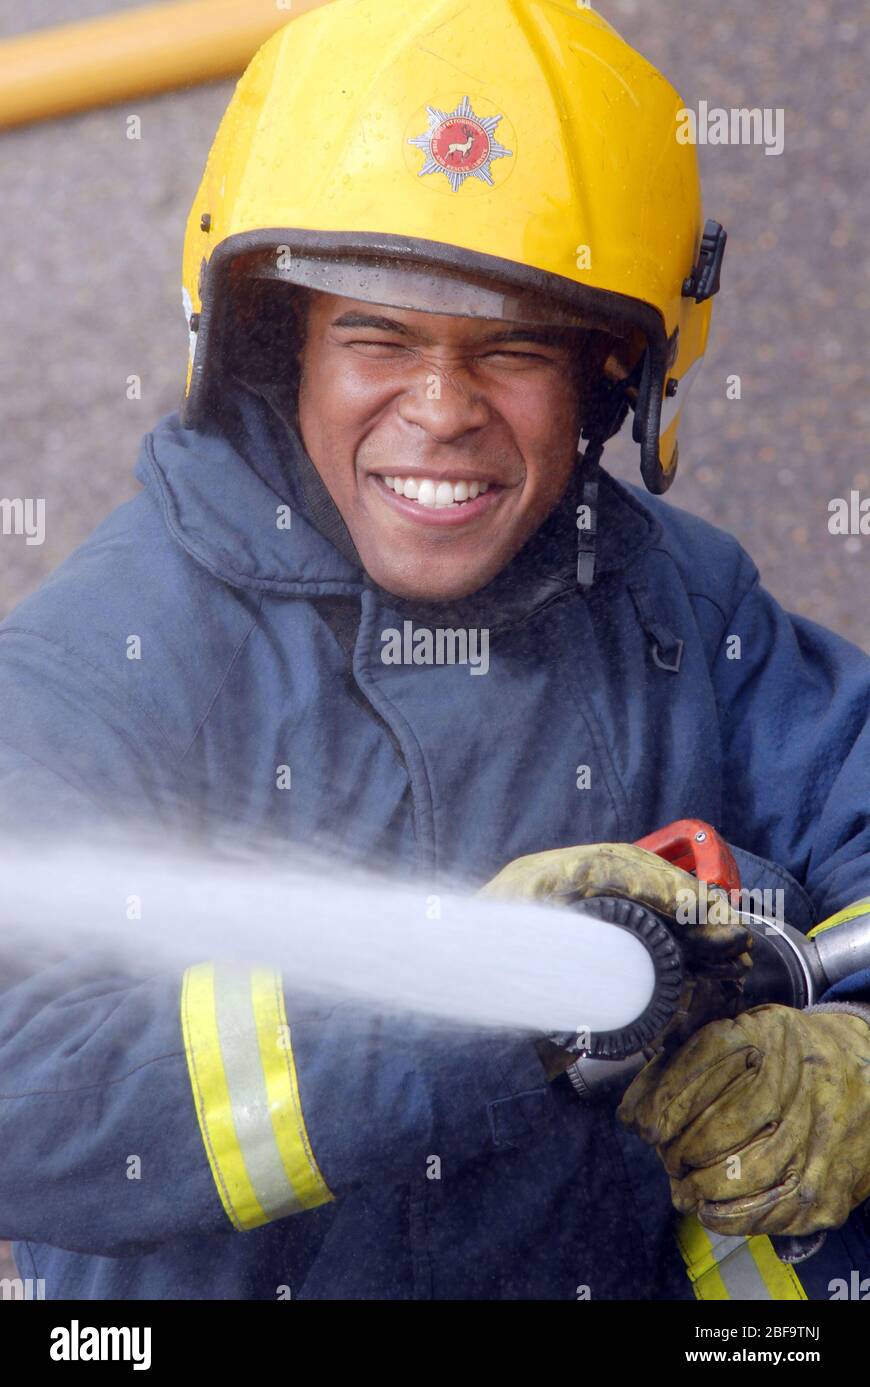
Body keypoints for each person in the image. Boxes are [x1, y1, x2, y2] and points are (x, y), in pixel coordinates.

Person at [1, 0, 868, 1301]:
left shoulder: (681, 601)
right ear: (270, 347)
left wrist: (850, 1055)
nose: (443, 407)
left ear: (612, 380)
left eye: (513, 344)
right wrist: (459, 995)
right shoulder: (112, 652)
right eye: (377, 336)